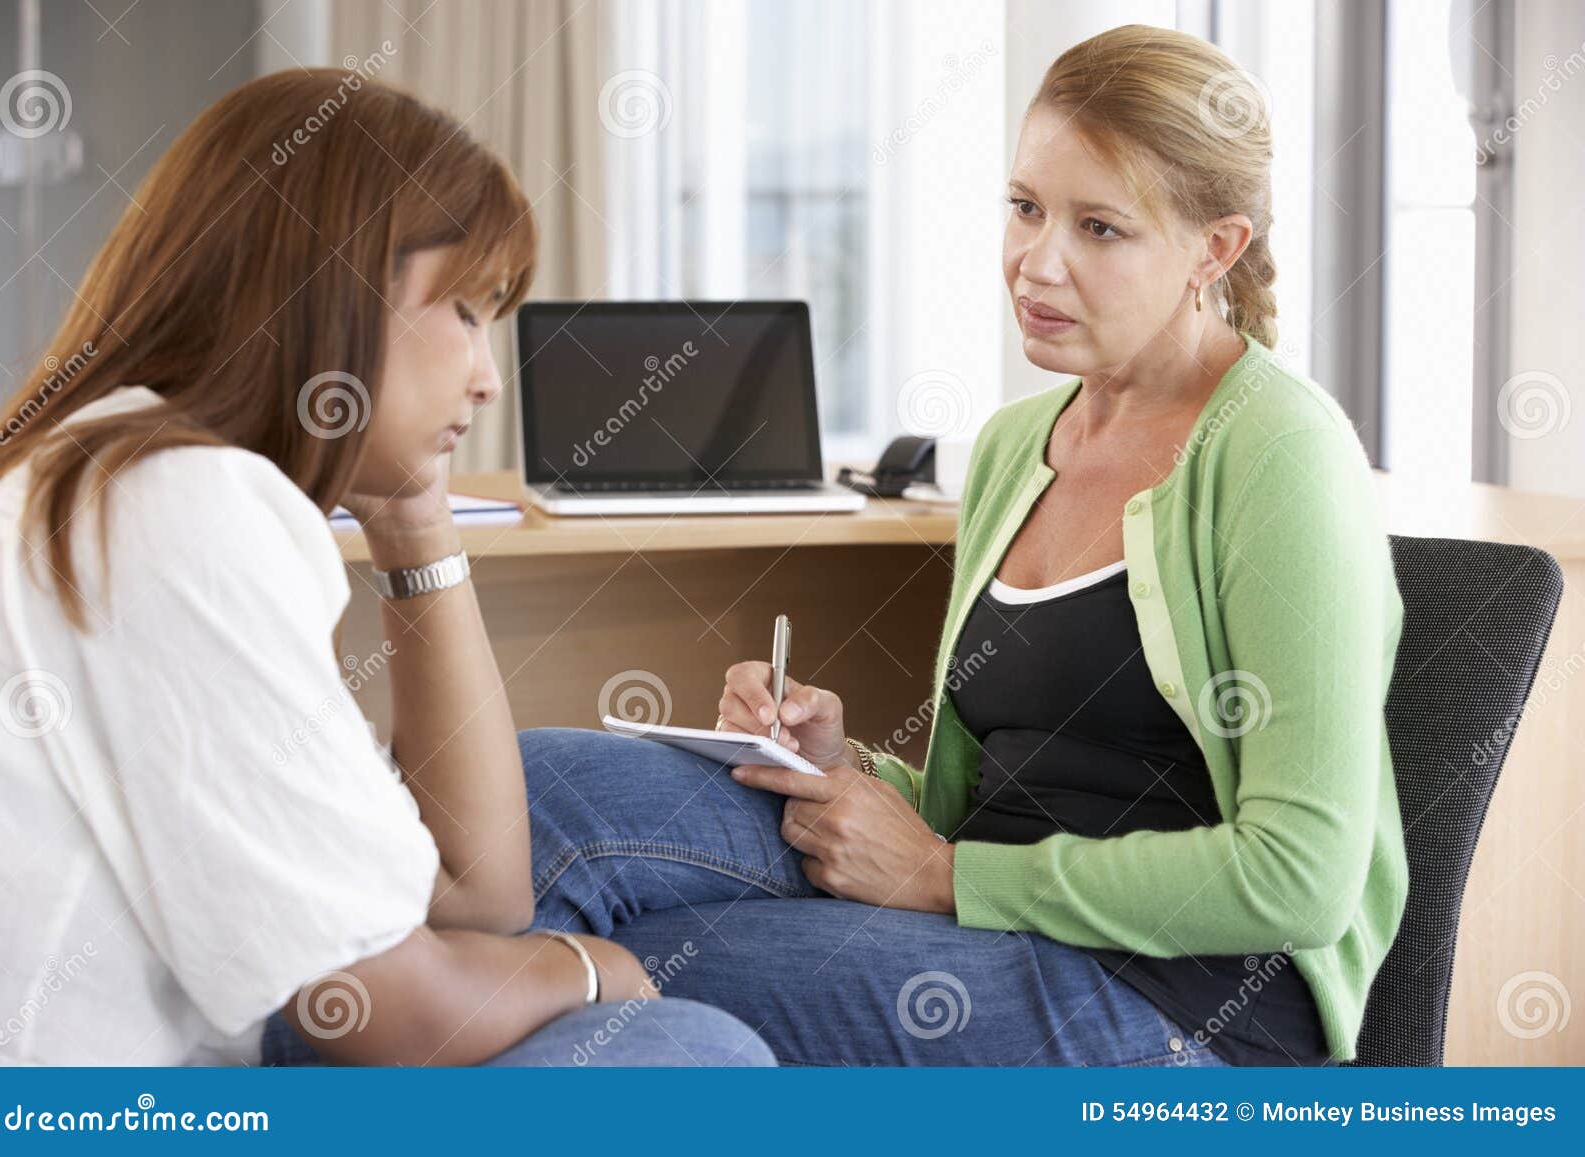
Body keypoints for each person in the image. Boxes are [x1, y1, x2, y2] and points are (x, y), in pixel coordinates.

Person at [508, 24, 1407, 1067]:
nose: (1037, 260)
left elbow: (1301, 874)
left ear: (1215, 248)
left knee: (629, 961)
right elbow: (975, 795)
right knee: (540, 789)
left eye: (1100, 228)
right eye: (1026, 207)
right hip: (981, 907)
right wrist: (843, 765)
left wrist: (944, 876)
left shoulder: (1279, 451)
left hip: (1181, 1010)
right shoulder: (1020, 443)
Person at [0, 69, 771, 1068]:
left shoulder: (101, 469)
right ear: (337, 291)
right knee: (688, 1051)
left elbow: (476, 890)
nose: (487, 377)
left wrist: (411, 515)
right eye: (468, 313)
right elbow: (396, 1011)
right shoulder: (177, 507)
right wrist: (588, 966)